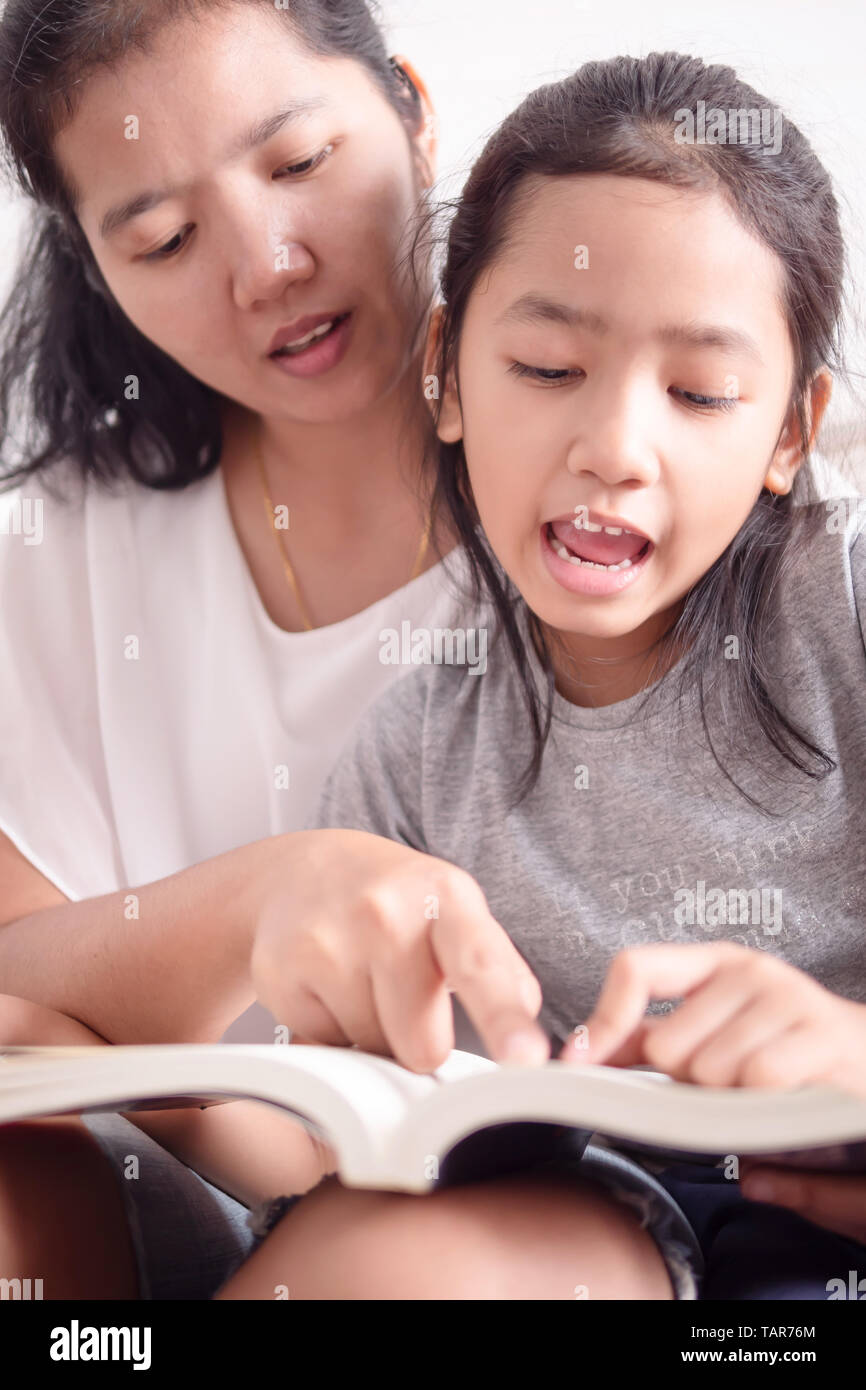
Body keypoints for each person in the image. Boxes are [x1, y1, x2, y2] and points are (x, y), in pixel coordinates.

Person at [0, 1, 676, 1302]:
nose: (265, 267)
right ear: (96, 261)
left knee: (387, 1270)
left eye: (299, 163)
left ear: (414, 114)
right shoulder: (54, 554)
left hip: (539, 1213)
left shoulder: (637, 497)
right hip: (159, 1176)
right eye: (164, 238)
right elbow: (20, 983)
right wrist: (268, 899)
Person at [268, 51, 866, 1300]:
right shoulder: (407, 754)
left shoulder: (843, 608)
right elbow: (337, 1120)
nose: (613, 448)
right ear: (445, 372)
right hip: (587, 1228)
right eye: (547, 369)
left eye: (699, 392)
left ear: (789, 434)